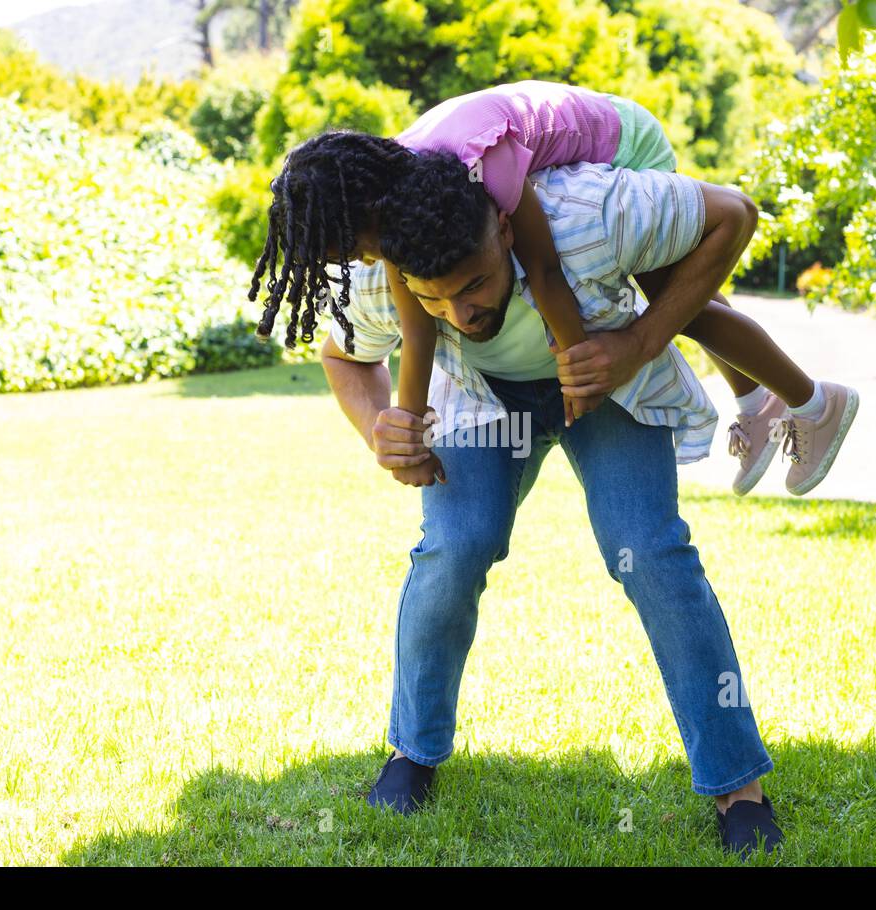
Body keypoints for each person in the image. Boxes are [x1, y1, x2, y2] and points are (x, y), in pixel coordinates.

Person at [312, 149, 786, 857]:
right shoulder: (391, 276)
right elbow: (343, 355)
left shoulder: (589, 217)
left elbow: (736, 214)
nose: (461, 313)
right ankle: (411, 752)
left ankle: (737, 786)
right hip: (481, 407)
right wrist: (382, 430)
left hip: (606, 382)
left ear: (506, 232)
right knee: (455, 546)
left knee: (650, 552)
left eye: (473, 286)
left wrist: (641, 339)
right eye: (435, 301)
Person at [248, 81, 859, 497]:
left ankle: (813, 402)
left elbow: (542, 271)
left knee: (679, 308)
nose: (364, 261)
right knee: (688, 304)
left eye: (356, 246)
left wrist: (582, 371)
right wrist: (405, 422)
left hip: (623, 143)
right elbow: (416, 323)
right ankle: (757, 405)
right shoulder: (408, 211)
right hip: (553, 149)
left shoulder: (474, 165)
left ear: (370, 209)